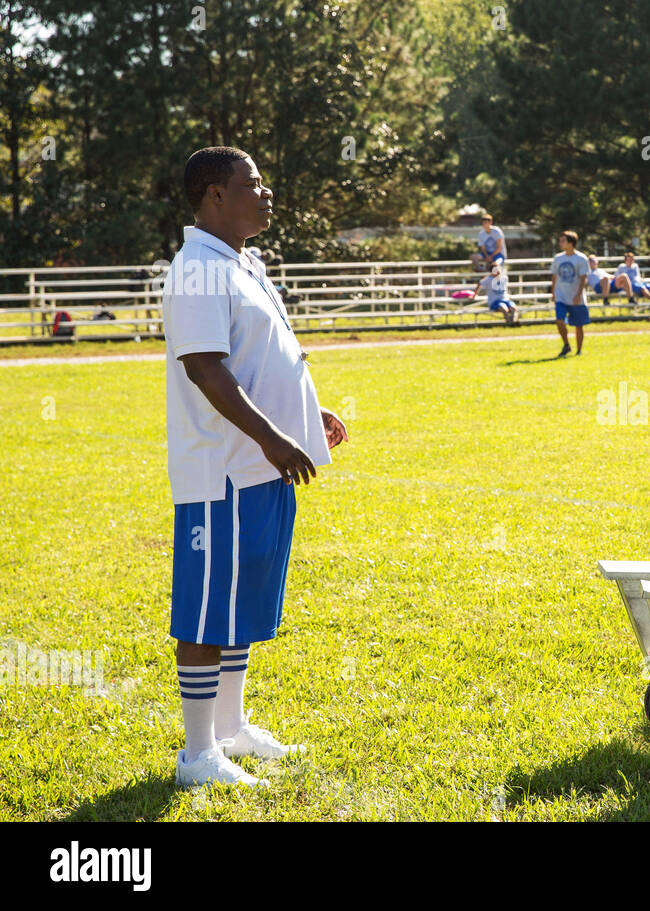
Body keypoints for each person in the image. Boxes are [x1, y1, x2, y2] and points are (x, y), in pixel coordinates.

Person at [162, 146, 349, 787]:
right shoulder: (197, 270)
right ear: (216, 194)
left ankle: (231, 728)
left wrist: (306, 413)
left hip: (259, 464)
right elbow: (206, 368)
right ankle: (197, 755)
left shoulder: (241, 263)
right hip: (223, 471)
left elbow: (256, 357)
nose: (266, 193)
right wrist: (273, 437)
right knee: (207, 608)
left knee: (240, 600)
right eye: (253, 183)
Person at [551, 230, 590, 357]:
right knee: (559, 320)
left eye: (563, 241)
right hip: (561, 295)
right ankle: (566, 344)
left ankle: (579, 350)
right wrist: (553, 292)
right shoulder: (558, 258)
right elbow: (555, 276)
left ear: (571, 243)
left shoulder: (581, 258)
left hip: (575, 297)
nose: (560, 243)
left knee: (578, 325)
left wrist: (578, 294)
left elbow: (584, 278)